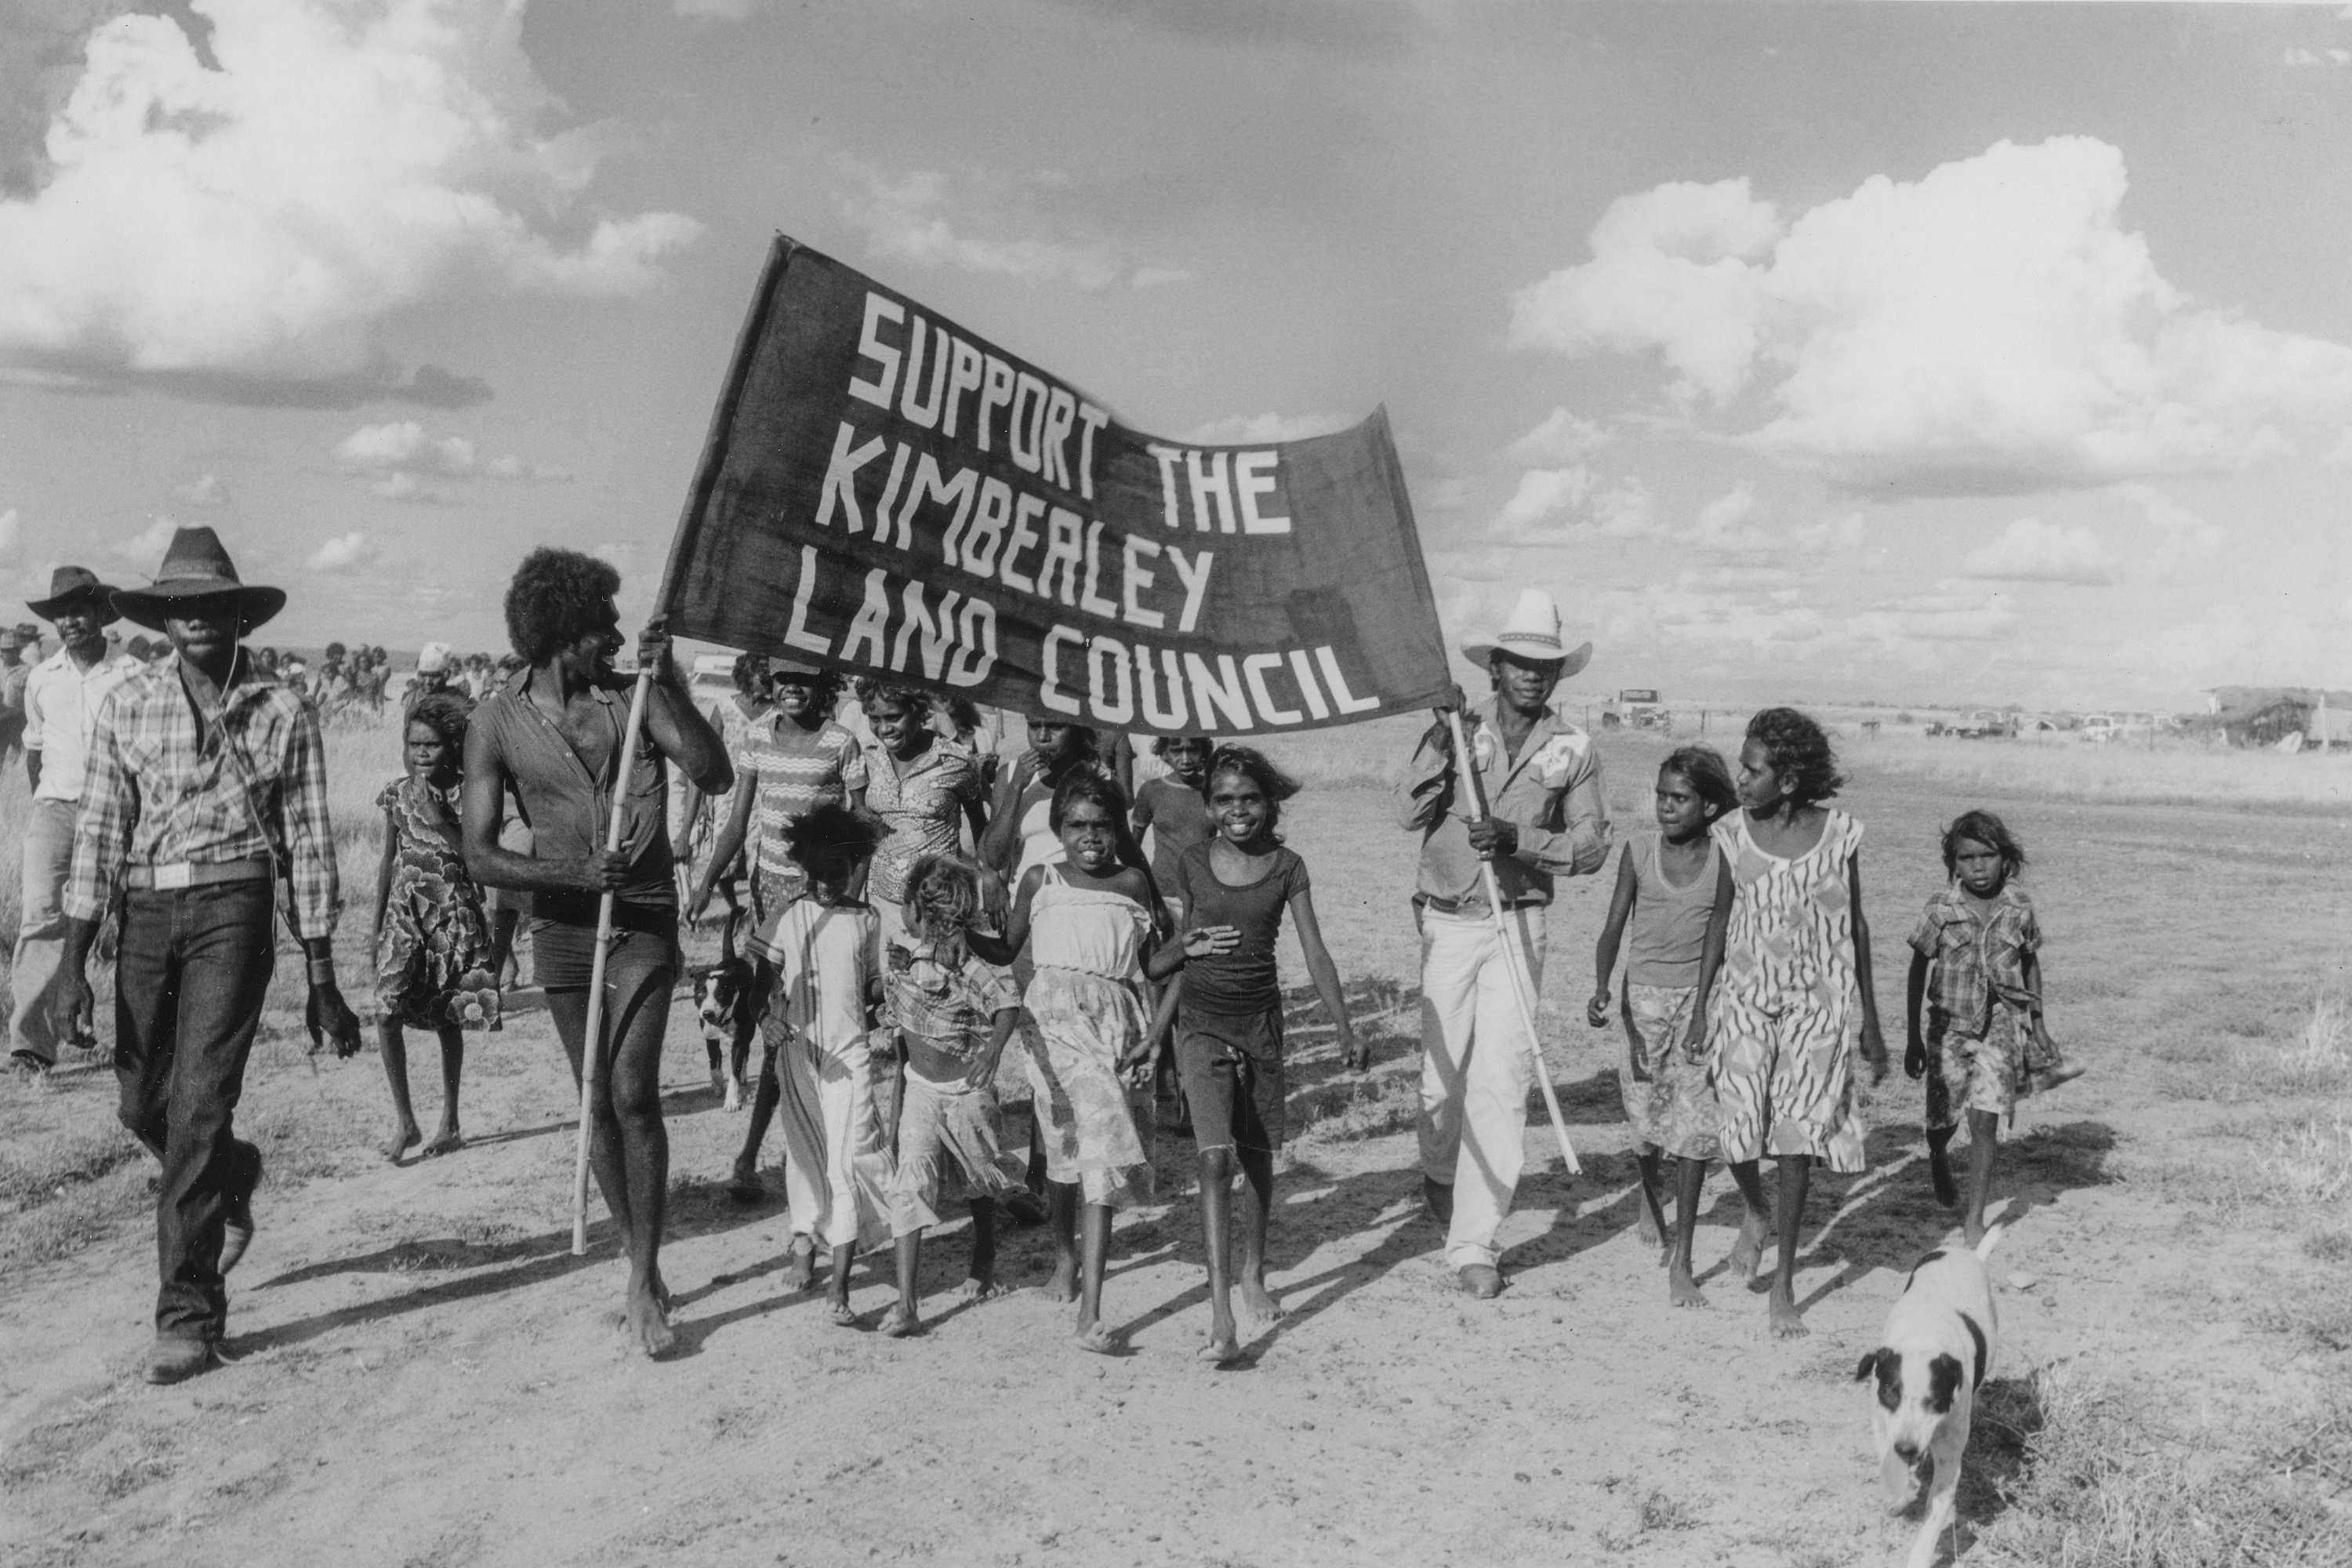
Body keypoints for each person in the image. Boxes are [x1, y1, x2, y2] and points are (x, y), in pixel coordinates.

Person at [57, 527, 364, 1383]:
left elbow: (309, 844)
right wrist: (72, 962)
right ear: (162, 619)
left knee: (198, 1103)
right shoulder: (127, 702)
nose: (196, 617)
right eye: (180, 605)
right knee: (139, 1101)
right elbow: (98, 832)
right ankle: (232, 1172)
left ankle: (188, 1315)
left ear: (239, 616)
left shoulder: (283, 710)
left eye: (212, 604)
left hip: (236, 903)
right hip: (147, 908)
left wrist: (323, 977)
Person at [460, 548, 731, 1359]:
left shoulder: (632, 697)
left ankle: (643, 1280)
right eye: (600, 627)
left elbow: (713, 774)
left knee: (632, 1090)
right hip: (564, 927)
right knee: (598, 1103)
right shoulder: (495, 720)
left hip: (642, 916)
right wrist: (571, 874)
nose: (616, 637)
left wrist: (669, 679)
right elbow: (479, 854)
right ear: (557, 632)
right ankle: (637, 1254)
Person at [1392, 587, 1610, 1298]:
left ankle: (1475, 1241)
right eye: (1520, 663)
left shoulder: (1574, 748)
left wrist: (1521, 839)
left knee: (1504, 1077)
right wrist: (1439, 738)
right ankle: (1441, 1175)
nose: (1532, 676)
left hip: (1519, 920)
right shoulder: (1458, 729)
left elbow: (1591, 847)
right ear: (1496, 668)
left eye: (1545, 666)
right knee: (1441, 1080)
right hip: (1450, 918)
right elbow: (1406, 814)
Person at [1149, 745, 1363, 1363]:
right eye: (1224, 800)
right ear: (1208, 807)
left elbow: (1315, 951)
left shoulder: (1287, 867)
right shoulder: (1192, 862)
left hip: (1261, 1024)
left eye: (1249, 799)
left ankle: (1253, 1270)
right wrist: (1163, 1015)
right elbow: (1170, 957)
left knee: (1257, 1155)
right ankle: (1221, 1315)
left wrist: (1344, 1026)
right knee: (1214, 1160)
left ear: (1269, 803)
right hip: (1201, 1024)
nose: (1237, 810)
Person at [1693, 707, 1888, 1339]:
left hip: (1818, 1004)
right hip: (1745, 999)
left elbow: (1856, 924)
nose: (1741, 779)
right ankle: (1756, 1210)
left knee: (1795, 1136)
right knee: (1738, 1127)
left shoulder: (1840, 834)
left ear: (1789, 778)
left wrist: (1871, 1020)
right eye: (1742, 767)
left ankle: (1784, 1286)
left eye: (1753, 770)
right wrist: (1700, 1008)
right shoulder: (1731, 832)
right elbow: (1719, 920)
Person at [969, 771, 1159, 1353]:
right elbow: (1006, 948)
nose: (1090, 836)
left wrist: (1158, 1032)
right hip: (1050, 1023)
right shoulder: (1040, 879)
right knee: (1064, 1146)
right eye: (1076, 825)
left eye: (1102, 825)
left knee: (1100, 1153)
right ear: (1058, 830)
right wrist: (962, 931)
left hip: (1113, 1023)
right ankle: (1064, 1258)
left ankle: (1092, 1313)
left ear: (1118, 829)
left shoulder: (1133, 882)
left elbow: (1155, 963)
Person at [690, 656, 866, 1201]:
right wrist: (706, 882)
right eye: (786, 679)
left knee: (826, 1027)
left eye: (806, 680)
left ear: (822, 685)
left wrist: (851, 902)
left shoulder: (840, 743)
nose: (794, 689)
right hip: (771, 899)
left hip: (824, 899)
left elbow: (861, 830)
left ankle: (825, 1161)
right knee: (774, 1024)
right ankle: (749, 1158)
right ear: (773, 684)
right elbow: (737, 823)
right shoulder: (757, 737)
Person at [1586, 746, 1746, 1308]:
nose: (1667, 806)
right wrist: (1602, 987)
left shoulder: (1724, 859)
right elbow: (1614, 926)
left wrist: (1703, 1008)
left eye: (1680, 798)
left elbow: (1718, 934)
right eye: (1661, 796)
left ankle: (1684, 1259)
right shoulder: (1638, 850)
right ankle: (1649, 1193)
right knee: (1647, 1116)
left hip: (1700, 998)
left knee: (1694, 1126)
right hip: (1643, 1001)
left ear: (1709, 806)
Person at [877, 855, 1025, 1338]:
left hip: (967, 1092)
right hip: (922, 1089)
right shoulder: (907, 955)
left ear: (920, 910)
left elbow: (1007, 1003)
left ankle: (984, 1251)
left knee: (979, 1176)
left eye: (905, 905)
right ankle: (907, 1303)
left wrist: (993, 1052)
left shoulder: (965, 960)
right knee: (910, 1184)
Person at [1906, 809, 2065, 1247]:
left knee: (1985, 1119)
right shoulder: (1941, 909)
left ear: (2005, 859)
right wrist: (1913, 1038)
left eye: (1988, 856)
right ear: (1954, 864)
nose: (1978, 867)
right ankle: (1938, 1152)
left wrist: (2038, 1024)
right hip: (1949, 1028)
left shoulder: (2018, 908)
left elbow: (2030, 963)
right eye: (1967, 858)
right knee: (1942, 1118)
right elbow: (1917, 969)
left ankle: (1974, 1217)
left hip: (2000, 1024)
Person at [761, 804, 892, 1324]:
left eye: (836, 874)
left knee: (849, 1159)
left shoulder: (869, 920)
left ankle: (840, 1283)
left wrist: (893, 993)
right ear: (801, 867)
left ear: (854, 867)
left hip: (851, 1054)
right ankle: (803, 1243)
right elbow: (761, 982)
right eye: (815, 874)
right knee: (803, 1155)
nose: (825, 885)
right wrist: (765, 1019)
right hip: (799, 1056)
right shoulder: (788, 916)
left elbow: (873, 987)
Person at [10, 568, 138, 1074]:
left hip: (118, 811)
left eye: (79, 611)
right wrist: (47, 804)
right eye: (60, 614)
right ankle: (30, 1046)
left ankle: (139, 1039)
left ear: (101, 614)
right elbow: (35, 750)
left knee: (131, 918)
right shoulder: (41, 678)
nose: (69, 622)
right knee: (42, 915)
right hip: (57, 809)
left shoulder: (130, 674)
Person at [372, 692, 502, 1163]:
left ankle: (450, 1122)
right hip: (405, 917)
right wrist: (376, 927)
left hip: (453, 919)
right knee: (385, 1012)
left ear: (453, 747)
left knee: (449, 1019)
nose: (421, 754)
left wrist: (439, 819)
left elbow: (478, 858)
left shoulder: (473, 792)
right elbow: (387, 861)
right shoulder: (396, 793)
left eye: (431, 745)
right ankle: (405, 1121)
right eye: (413, 745)